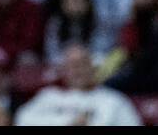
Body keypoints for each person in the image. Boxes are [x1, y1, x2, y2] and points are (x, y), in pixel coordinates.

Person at [13, 43, 141, 126]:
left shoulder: (114, 101)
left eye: (83, 64)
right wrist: (68, 123)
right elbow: (22, 120)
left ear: (93, 68)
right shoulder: (48, 96)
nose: (78, 70)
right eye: (72, 66)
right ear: (64, 71)